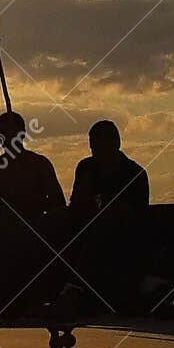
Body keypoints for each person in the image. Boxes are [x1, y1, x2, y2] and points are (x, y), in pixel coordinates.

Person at [0, 112, 66, 317]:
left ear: (22, 134)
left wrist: (32, 205)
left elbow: (58, 205)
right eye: (4, 134)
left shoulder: (39, 164)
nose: (8, 138)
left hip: (35, 229)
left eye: (11, 133)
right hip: (4, 231)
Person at [67, 120, 157, 309]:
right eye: (94, 146)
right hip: (85, 225)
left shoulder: (134, 173)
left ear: (116, 144)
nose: (97, 151)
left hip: (124, 231)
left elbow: (139, 214)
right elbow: (76, 204)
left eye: (101, 146)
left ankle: (77, 287)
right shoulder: (86, 168)